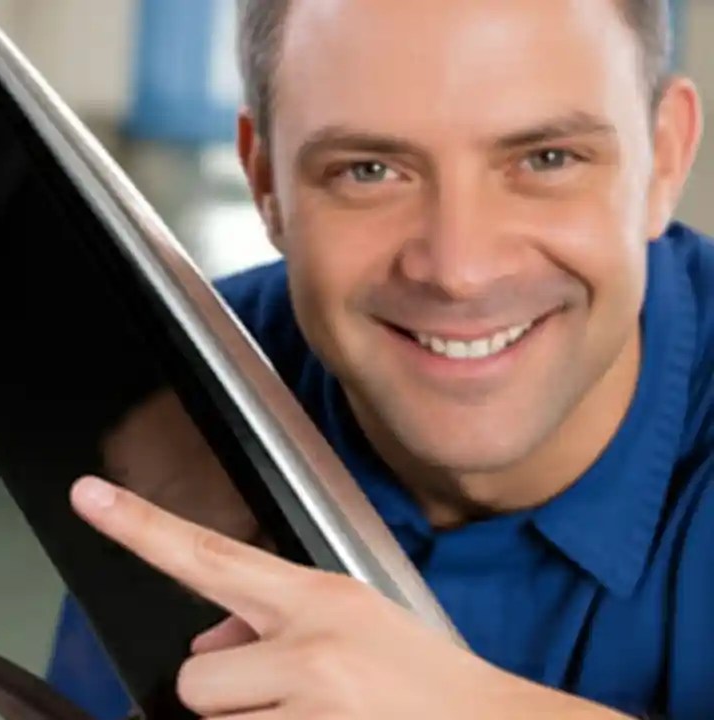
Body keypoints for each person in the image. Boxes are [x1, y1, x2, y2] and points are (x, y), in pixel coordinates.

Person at [46, 0, 714, 717]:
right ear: (266, 182)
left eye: (546, 159)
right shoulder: (185, 393)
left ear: (664, 157)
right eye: (368, 170)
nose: (460, 269)